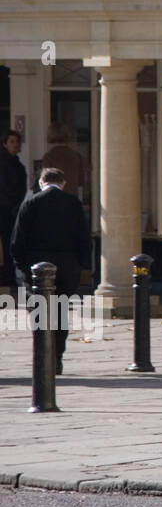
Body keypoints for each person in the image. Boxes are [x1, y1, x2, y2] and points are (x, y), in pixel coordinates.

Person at [10, 167, 91, 374]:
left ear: (41, 182)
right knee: (61, 311)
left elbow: (17, 242)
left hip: (36, 267)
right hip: (66, 266)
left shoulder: (30, 203)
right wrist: (81, 265)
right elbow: (83, 237)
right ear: (63, 183)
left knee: (39, 313)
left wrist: (23, 269)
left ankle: (42, 357)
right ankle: (57, 357)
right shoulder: (73, 203)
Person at [0, 129, 27, 286]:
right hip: (4, 209)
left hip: (12, 210)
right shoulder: (4, 163)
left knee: (10, 243)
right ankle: (6, 277)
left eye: (17, 142)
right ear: (4, 144)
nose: (15, 145)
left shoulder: (17, 164)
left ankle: (9, 277)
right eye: (11, 141)